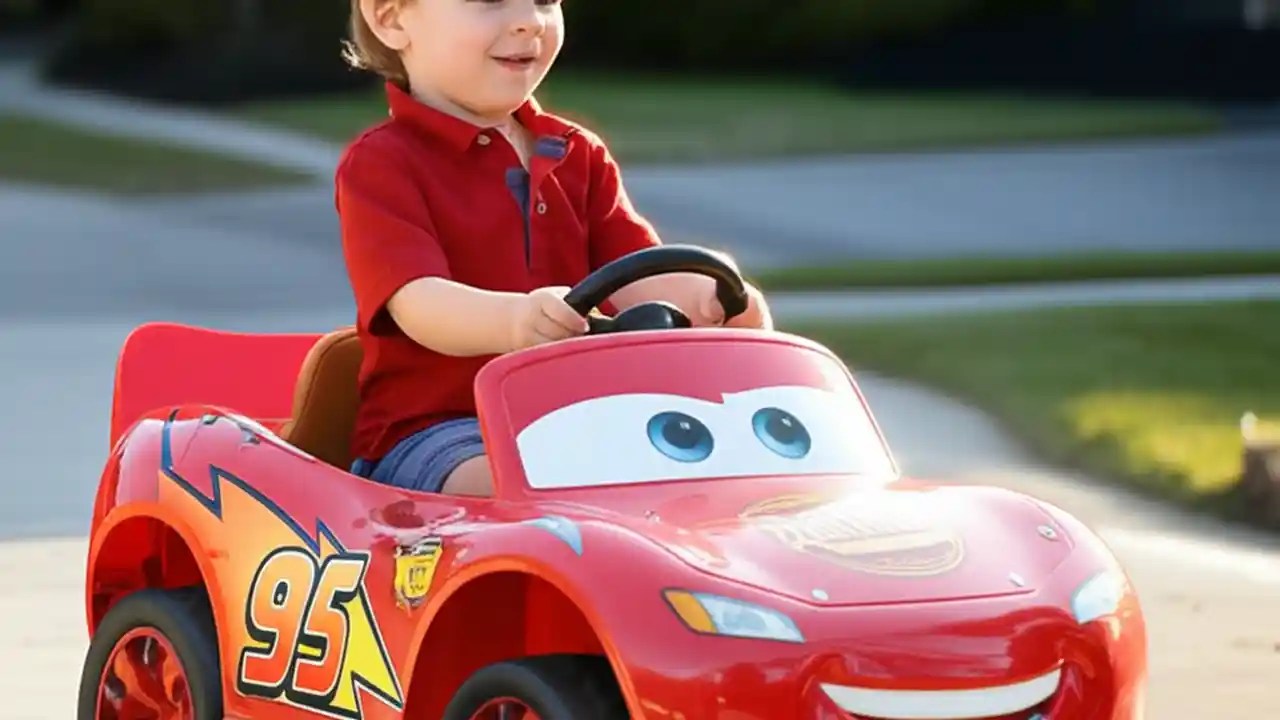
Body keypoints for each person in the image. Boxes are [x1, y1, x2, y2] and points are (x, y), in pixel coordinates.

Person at [336, 0, 773, 498]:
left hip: (579, 420)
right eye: (491, 2)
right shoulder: (382, 164)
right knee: (525, 482)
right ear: (392, 19)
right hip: (443, 428)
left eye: (545, 1)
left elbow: (635, 273)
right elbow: (418, 302)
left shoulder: (575, 153)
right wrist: (514, 322)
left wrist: (709, 297)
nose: (529, 21)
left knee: (721, 462)